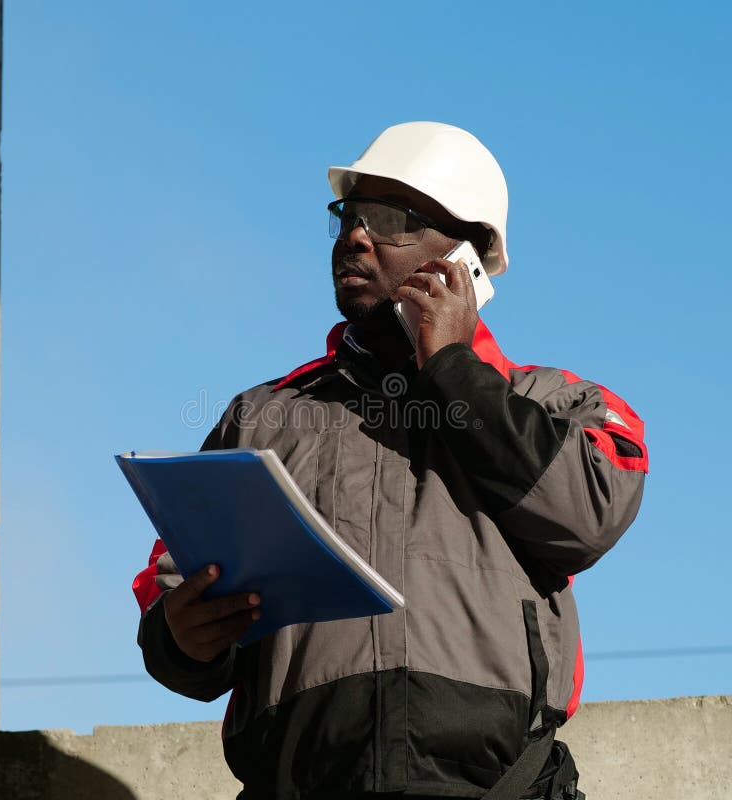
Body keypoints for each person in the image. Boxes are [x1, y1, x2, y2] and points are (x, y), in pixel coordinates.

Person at [133, 122, 647, 800]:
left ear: (464, 257)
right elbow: (173, 596)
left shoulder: (559, 403)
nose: (355, 236)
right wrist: (179, 637)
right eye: (348, 216)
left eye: (388, 220)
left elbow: (587, 517)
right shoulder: (260, 418)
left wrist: (455, 369)